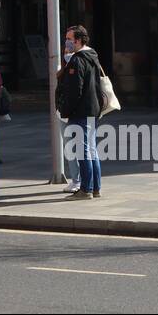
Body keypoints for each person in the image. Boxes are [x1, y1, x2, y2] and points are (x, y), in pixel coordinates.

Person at [57, 24, 103, 200]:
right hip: (92, 109)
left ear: (78, 40)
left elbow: (74, 91)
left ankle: (85, 189)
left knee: (83, 151)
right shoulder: (92, 56)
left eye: (69, 39)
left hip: (81, 111)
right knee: (91, 150)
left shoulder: (77, 61)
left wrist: (65, 110)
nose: (66, 42)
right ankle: (95, 187)